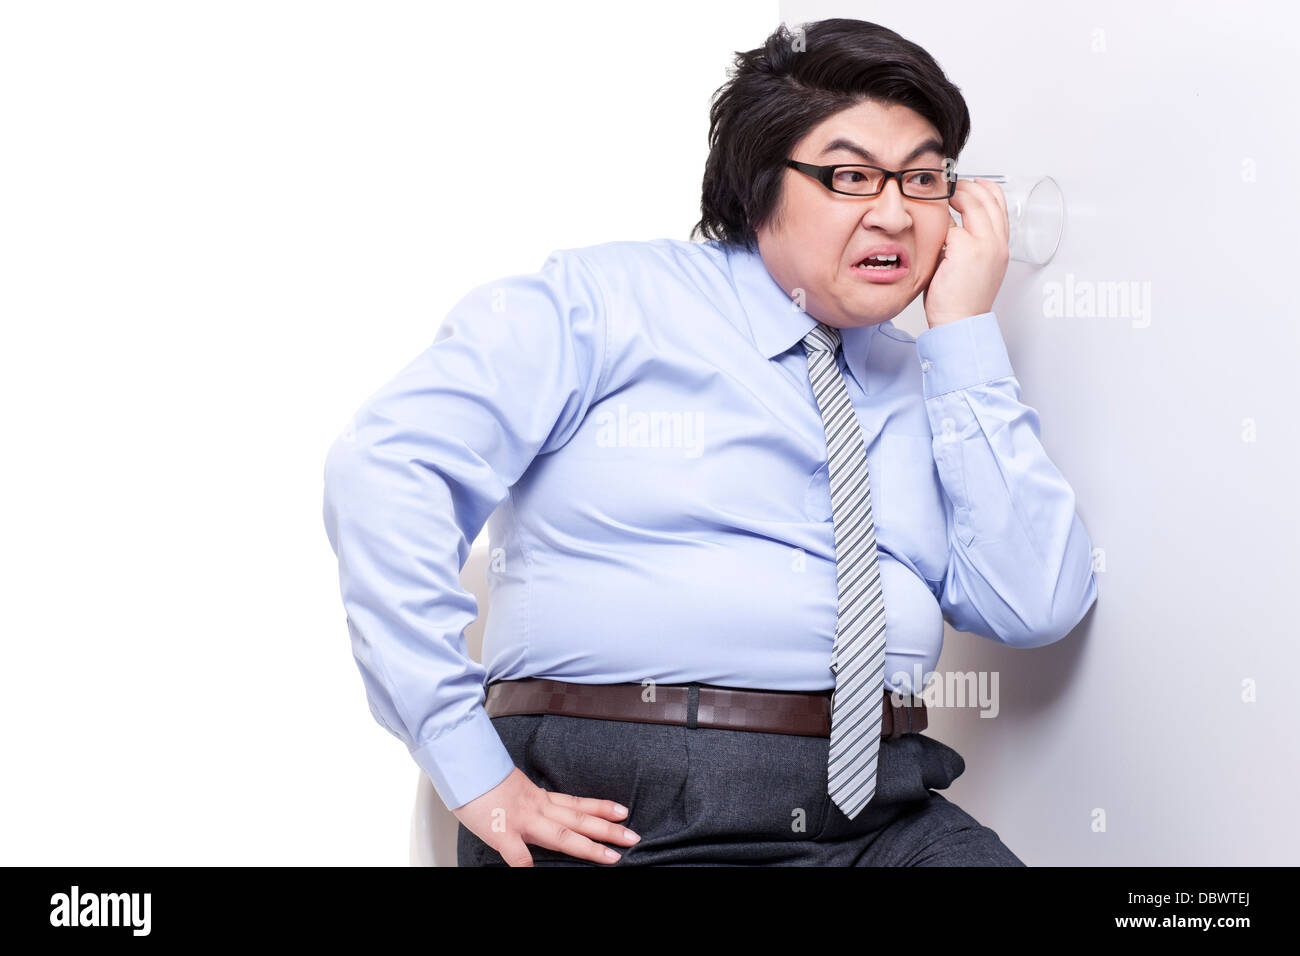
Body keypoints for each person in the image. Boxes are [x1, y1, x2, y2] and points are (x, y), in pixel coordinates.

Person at [321, 17, 1098, 866]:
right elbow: (390, 468)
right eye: (850, 176)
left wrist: (966, 341)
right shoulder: (604, 303)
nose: (897, 215)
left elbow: (1036, 606)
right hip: (618, 812)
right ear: (759, 183)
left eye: (923, 178)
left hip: (879, 816)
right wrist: (468, 767)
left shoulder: (936, 385)